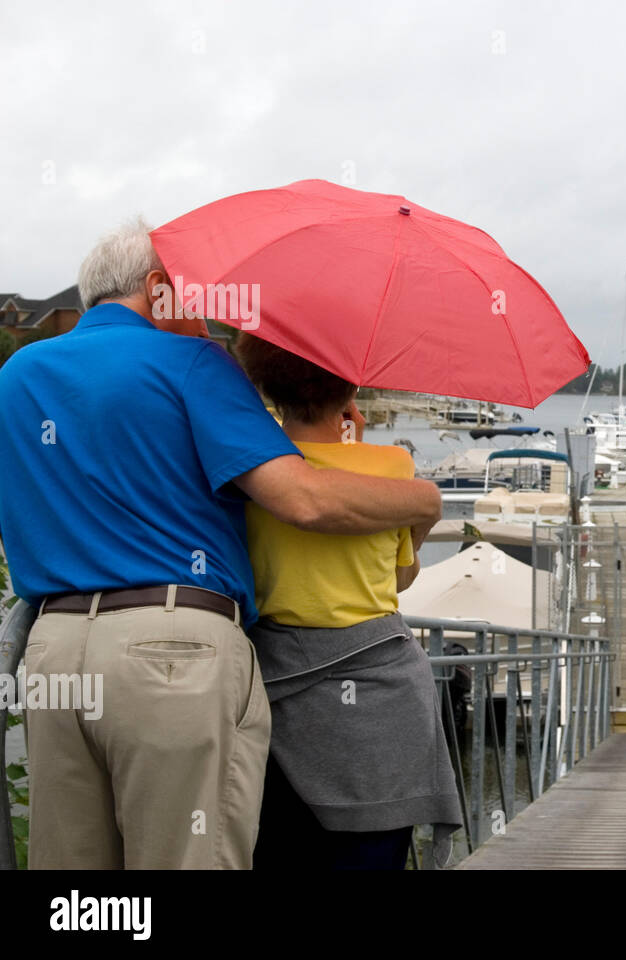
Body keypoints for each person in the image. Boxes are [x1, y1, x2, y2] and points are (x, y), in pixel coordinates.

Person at [0, 218, 443, 869]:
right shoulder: (190, 362)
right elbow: (304, 499)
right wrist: (422, 501)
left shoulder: (19, 374)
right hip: (172, 651)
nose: (209, 321)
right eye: (197, 301)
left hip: (53, 653)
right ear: (156, 289)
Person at [234, 335, 461, 870]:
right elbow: (402, 578)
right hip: (381, 701)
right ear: (351, 388)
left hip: (274, 696)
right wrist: (354, 450)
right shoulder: (393, 467)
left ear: (265, 385)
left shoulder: (253, 470)